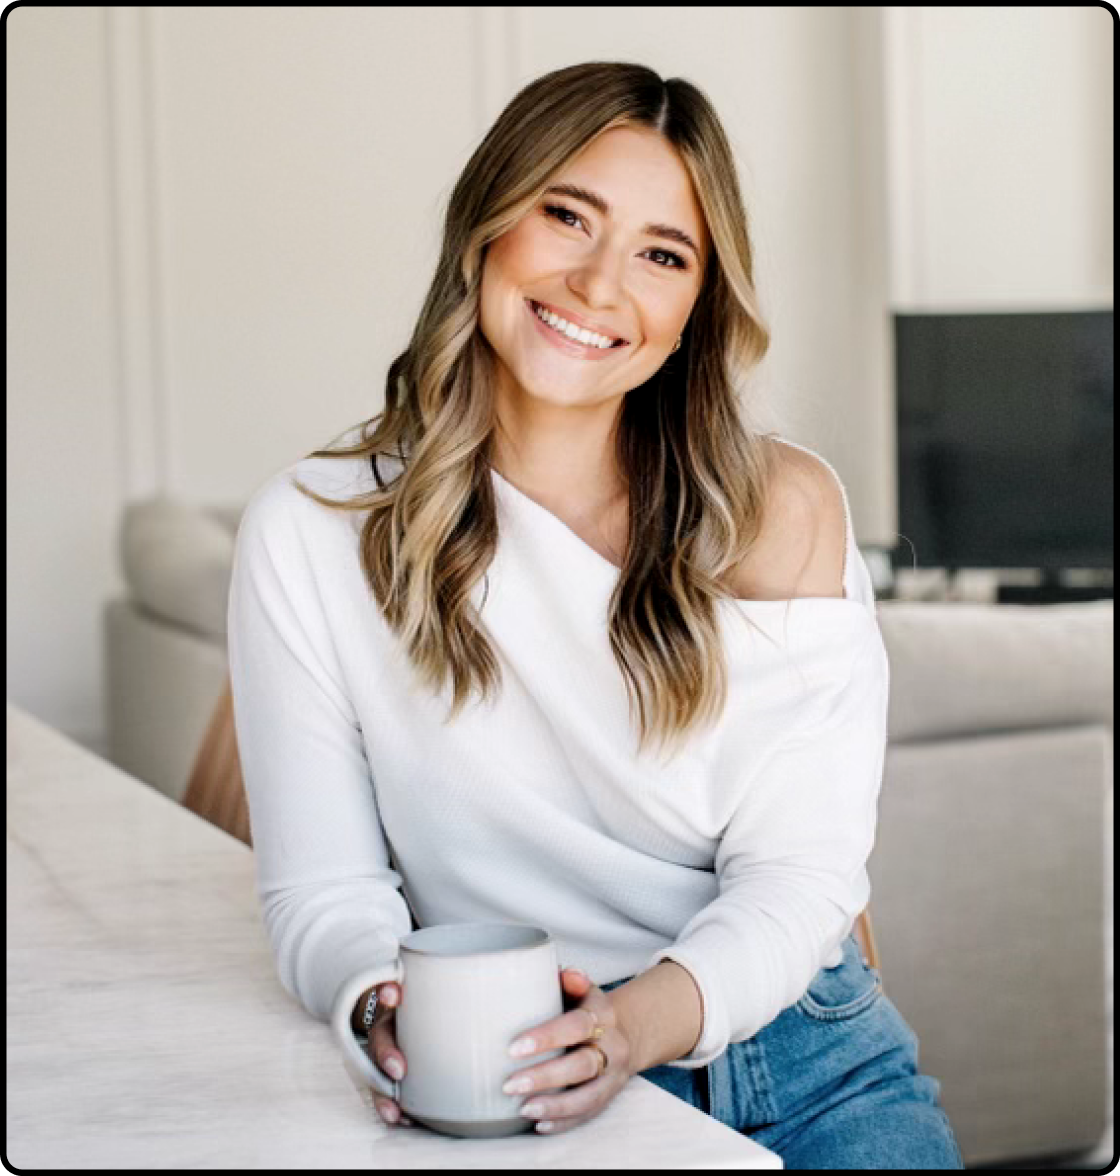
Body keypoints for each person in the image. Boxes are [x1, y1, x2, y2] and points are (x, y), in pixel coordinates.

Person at [227, 61, 965, 1168]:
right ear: (487, 224)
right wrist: (382, 1006)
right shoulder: (312, 531)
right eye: (566, 216)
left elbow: (801, 876)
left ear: (692, 313)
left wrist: (634, 1026)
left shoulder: (775, 513)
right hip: (513, 1074)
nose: (597, 284)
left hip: (808, 1065)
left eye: (661, 255)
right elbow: (324, 889)